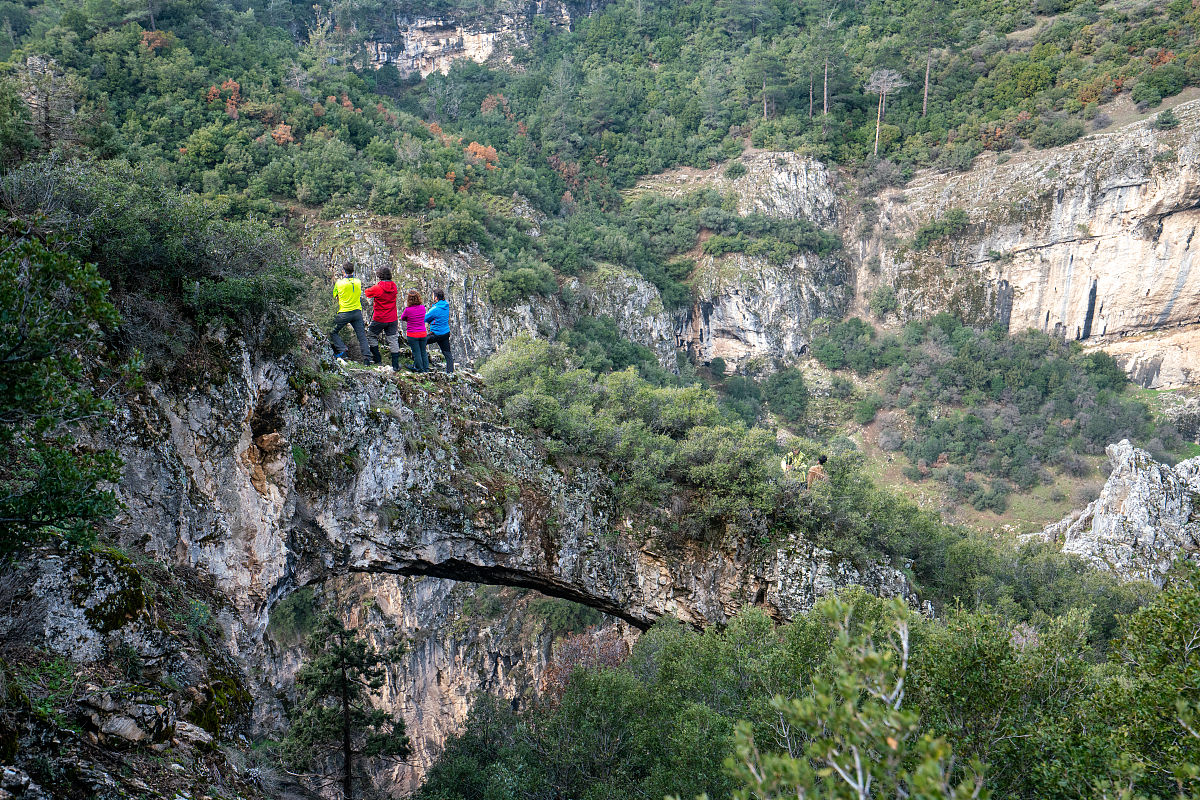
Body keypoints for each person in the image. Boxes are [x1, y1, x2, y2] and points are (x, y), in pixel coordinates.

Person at [329, 263, 372, 364]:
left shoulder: (339, 283)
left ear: (343, 271)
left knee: (332, 331)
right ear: (353, 270)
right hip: (357, 312)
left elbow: (335, 295)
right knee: (362, 336)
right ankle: (367, 360)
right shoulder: (358, 281)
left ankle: (342, 351)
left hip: (344, 312)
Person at [364, 267, 400, 371]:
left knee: (371, 335)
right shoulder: (394, 286)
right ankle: (395, 365)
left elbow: (367, 293)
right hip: (392, 318)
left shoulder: (377, 288)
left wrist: (372, 287)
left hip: (380, 318)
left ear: (379, 276)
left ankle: (377, 359)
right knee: (393, 340)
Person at [424, 288, 454, 374]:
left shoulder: (435, 309)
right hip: (445, 333)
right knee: (447, 353)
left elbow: (425, 318)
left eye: (433, 295)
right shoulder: (446, 305)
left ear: (436, 297)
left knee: (421, 342)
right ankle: (450, 372)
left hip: (436, 333)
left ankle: (422, 365)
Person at [399, 289, 429, 373]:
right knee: (423, 351)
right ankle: (426, 369)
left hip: (412, 334)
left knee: (416, 352)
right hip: (423, 333)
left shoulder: (408, 310)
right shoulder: (422, 308)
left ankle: (419, 369)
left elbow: (402, 318)